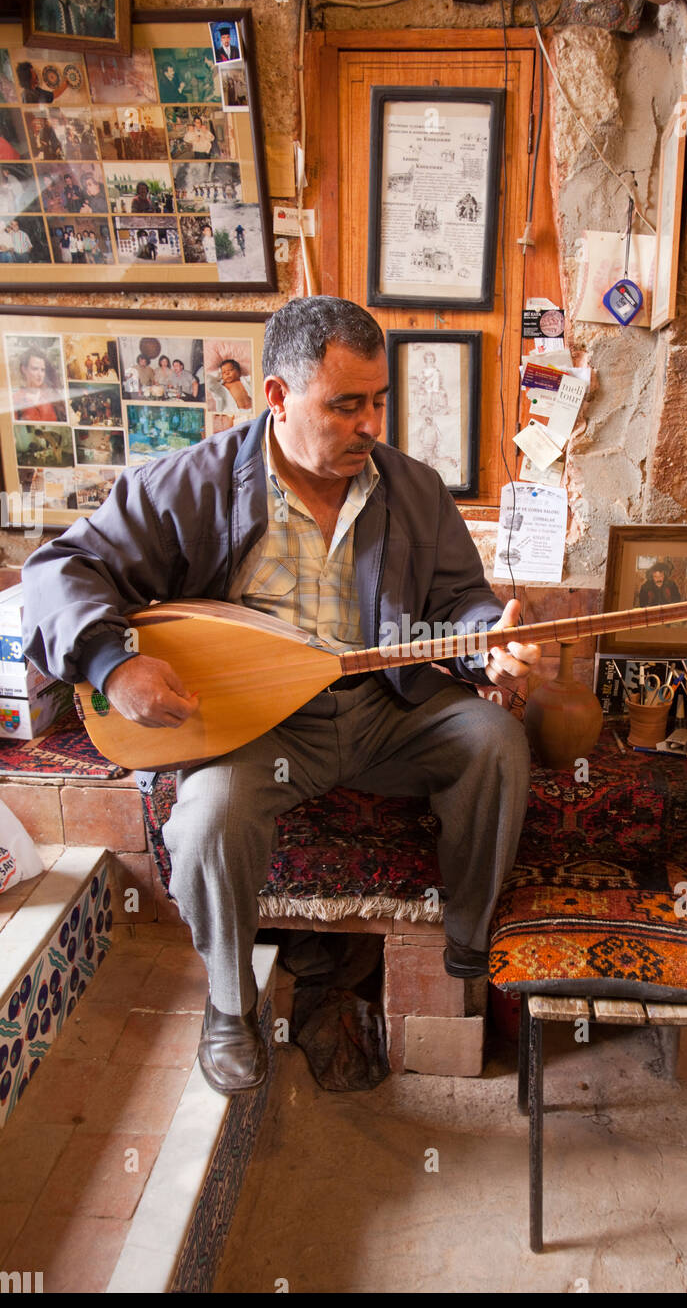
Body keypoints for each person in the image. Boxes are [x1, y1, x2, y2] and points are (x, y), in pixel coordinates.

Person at [21, 296, 539, 1096]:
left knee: (494, 741)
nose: (370, 424)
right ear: (276, 396)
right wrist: (112, 665)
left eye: (378, 402)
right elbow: (60, 571)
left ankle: (468, 940)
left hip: (382, 708)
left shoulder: (413, 489)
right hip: (259, 731)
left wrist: (487, 648)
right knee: (207, 818)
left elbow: (459, 603)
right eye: (345, 404)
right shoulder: (188, 486)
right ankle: (230, 1005)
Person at [12, 348, 66, 422]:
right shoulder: (15, 400)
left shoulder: (53, 397)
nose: (40, 374)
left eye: (42, 370)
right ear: (24, 369)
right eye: (35, 369)